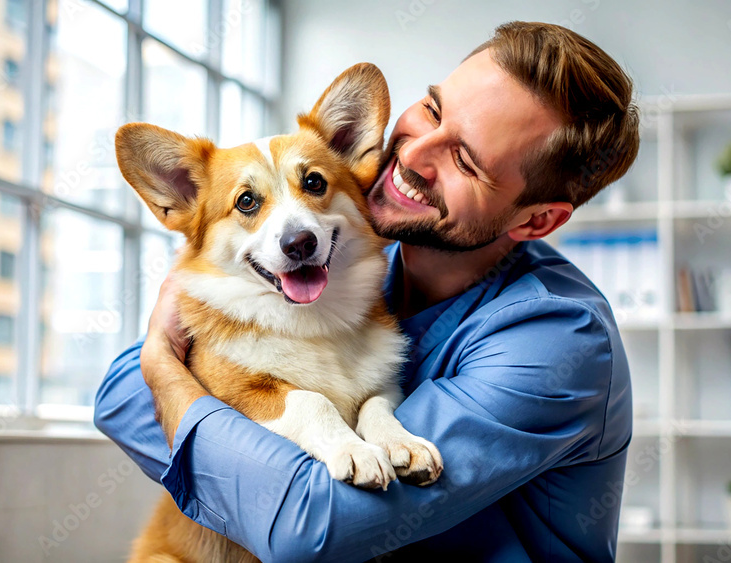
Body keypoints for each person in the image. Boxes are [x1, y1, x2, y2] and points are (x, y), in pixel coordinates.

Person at [95, 20, 639, 562]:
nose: (414, 153)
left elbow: (313, 525)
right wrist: (167, 369)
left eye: (465, 161)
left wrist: (163, 367)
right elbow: (119, 399)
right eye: (433, 110)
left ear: (538, 220)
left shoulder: (557, 340)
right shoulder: (350, 255)